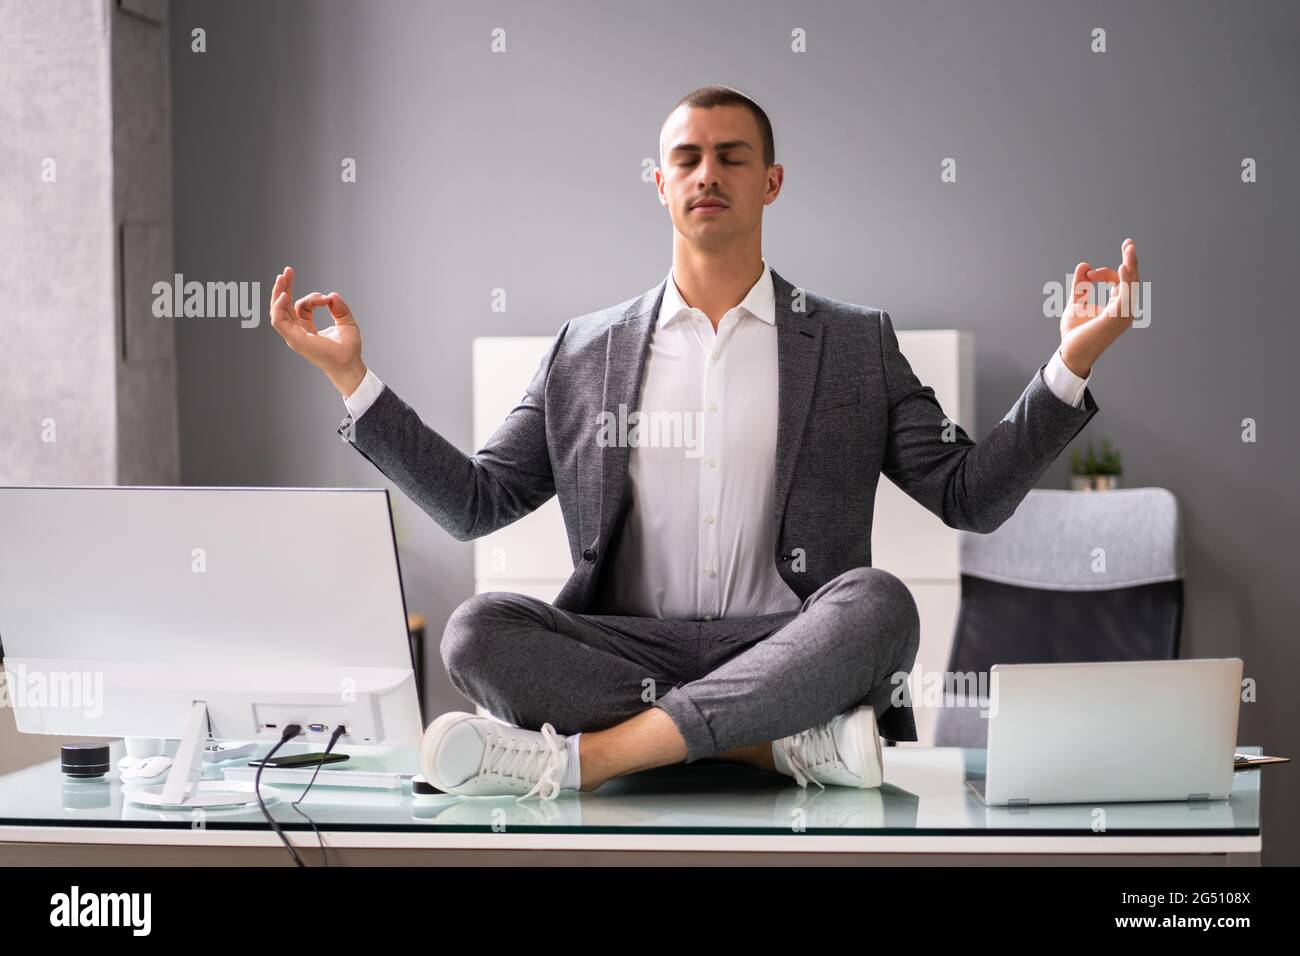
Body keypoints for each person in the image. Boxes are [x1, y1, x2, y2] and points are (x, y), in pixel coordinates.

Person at [269, 85, 1138, 802]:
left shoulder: (851, 343)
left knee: (879, 605)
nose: (707, 173)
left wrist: (1069, 362)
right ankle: (781, 750)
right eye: (687, 157)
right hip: (626, 649)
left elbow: (969, 496)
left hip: (793, 646)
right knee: (474, 632)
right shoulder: (584, 350)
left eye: (732, 156)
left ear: (772, 181)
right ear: (658, 182)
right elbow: (476, 503)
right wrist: (355, 381)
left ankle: (598, 758)